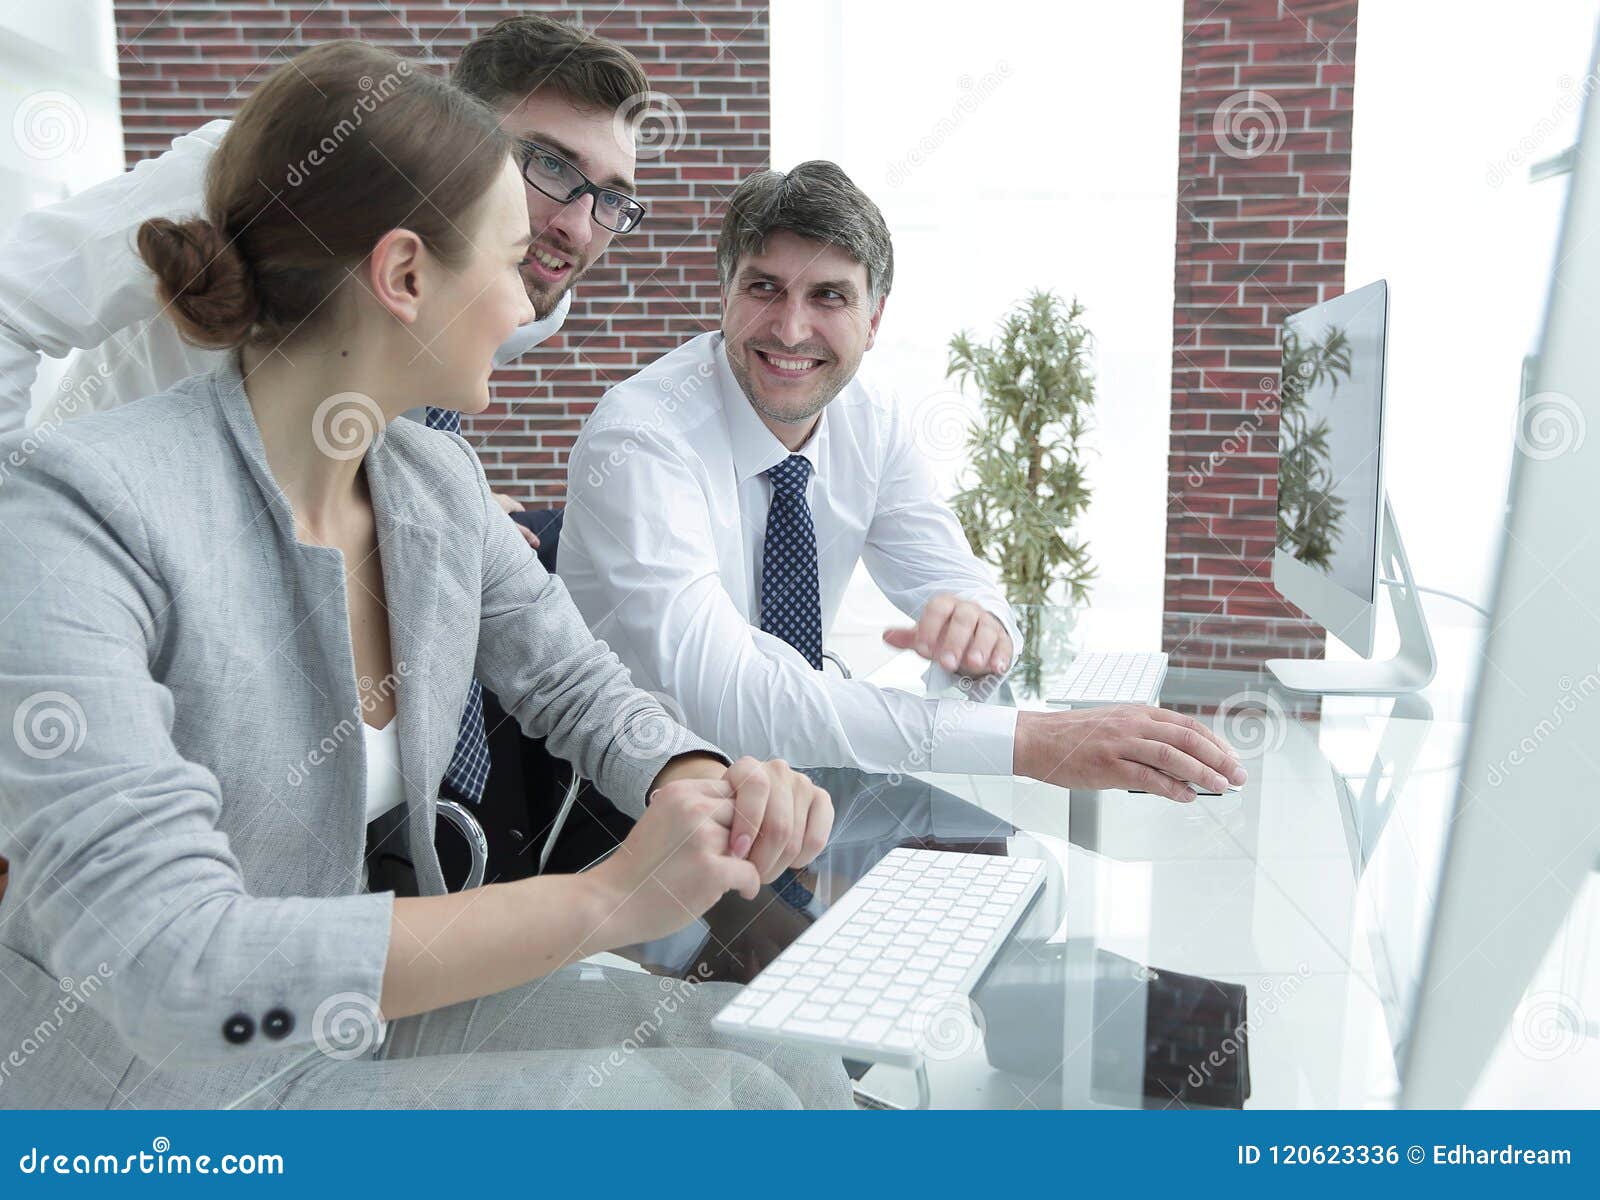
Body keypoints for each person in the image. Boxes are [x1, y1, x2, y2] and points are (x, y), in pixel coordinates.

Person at [0, 42, 848, 1111]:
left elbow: (574, 684)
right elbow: (176, 973)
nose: (532, 304)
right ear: (404, 276)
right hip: (164, 1096)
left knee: (790, 1056)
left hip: (346, 1024)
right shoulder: (84, 506)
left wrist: (695, 778)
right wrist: (603, 901)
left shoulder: (432, 481)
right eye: (506, 263)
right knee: (732, 1107)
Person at [561, 161, 1246, 803]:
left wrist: (981, 625)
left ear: (875, 319)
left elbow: (961, 580)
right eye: (763, 287)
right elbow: (725, 695)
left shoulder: (870, 419)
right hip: (636, 814)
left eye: (829, 296)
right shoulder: (643, 436)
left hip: (797, 800)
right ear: (726, 293)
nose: (792, 328)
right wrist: (1031, 742)